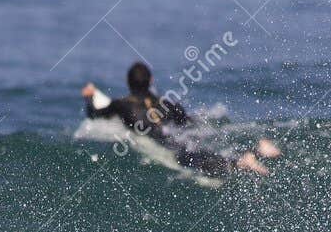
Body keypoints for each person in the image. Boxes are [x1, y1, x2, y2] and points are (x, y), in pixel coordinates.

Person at [81, 61, 281, 177]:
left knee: (193, 161)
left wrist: (89, 96)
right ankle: (257, 150)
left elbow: (95, 114)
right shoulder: (166, 102)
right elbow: (188, 122)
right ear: (151, 81)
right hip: (181, 136)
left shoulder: (121, 105)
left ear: (128, 82)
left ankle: (244, 160)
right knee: (202, 151)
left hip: (164, 143)